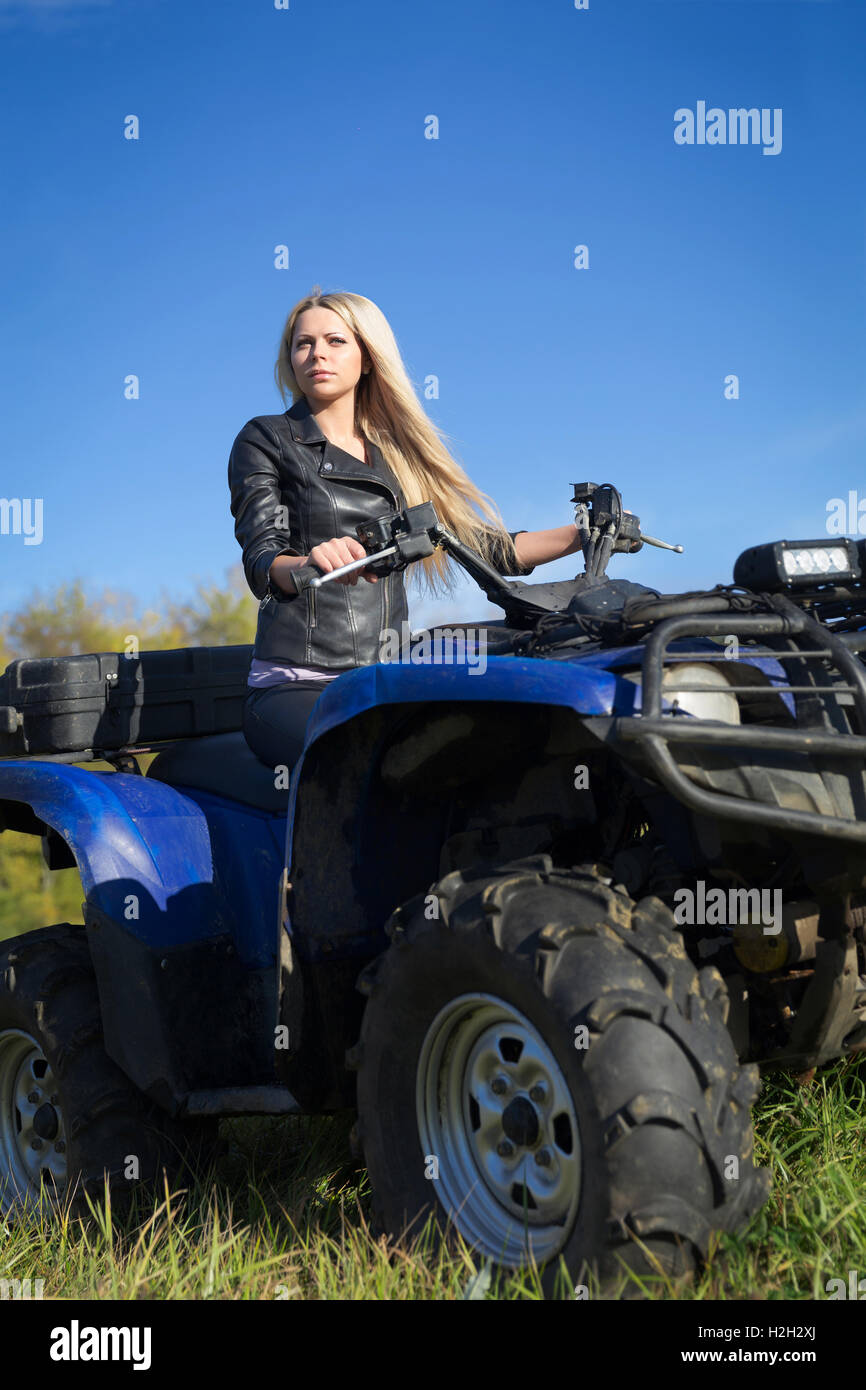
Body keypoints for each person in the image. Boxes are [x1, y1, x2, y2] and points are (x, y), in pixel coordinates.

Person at [228, 287, 583, 771]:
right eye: (303, 343)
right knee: (370, 767)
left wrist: (585, 533)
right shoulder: (265, 438)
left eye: (335, 341)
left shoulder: (398, 456)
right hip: (296, 685)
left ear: (368, 357)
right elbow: (263, 558)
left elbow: (485, 549)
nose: (317, 355)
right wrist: (308, 563)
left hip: (383, 678)